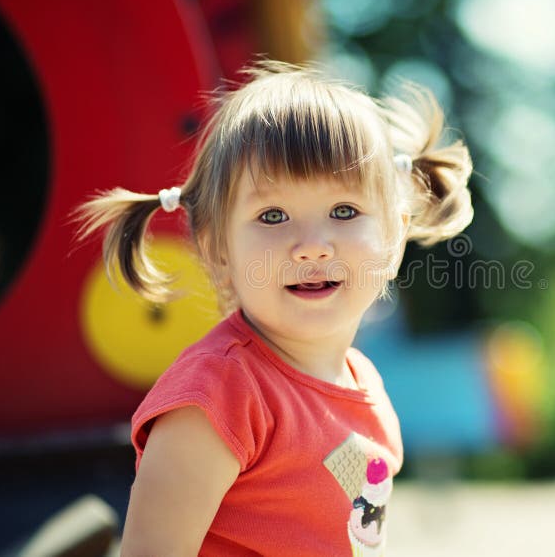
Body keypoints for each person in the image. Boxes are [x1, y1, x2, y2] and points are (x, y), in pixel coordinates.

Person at [75, 60, 474, 556]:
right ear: (219, 251)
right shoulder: (217, 397)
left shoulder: (366, 385)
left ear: (393, 238)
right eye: (273, 215)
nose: (312, 246)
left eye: (344, 211)